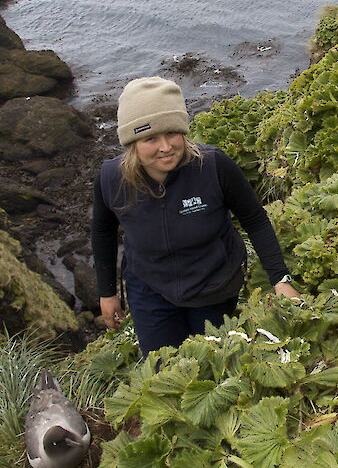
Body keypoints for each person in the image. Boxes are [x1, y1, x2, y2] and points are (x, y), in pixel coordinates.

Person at [91, 76, 299, 356]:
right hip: (150, 290)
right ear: (132, 142)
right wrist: (107, 292)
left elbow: (255, 219)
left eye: (172, 133)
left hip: (214, 285)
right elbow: (103, 231)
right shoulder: (111, 178)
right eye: (151, 138)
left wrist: (280, 279)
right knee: (164, 369)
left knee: (215, 362)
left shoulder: (213, 165)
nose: (165, 147)